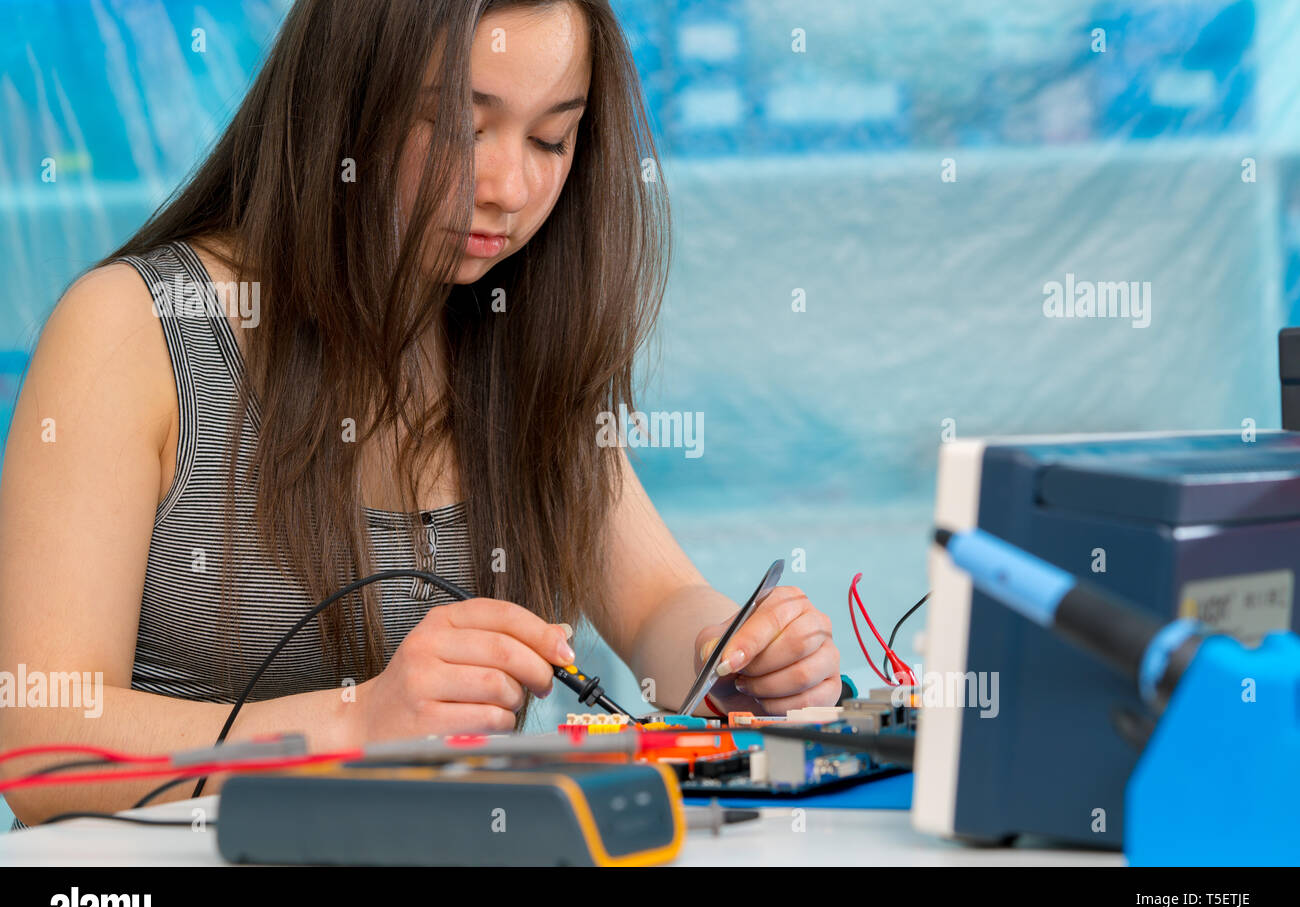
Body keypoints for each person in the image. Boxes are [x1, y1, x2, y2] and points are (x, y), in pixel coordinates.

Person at [0, 0, 839, 826]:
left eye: (552, 138)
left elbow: (659, 604)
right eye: (460, 129)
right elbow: (36, 746)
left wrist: (722, 655)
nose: (510, 188)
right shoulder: (134, 328)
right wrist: (353, 724)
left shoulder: (520, 329)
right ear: (345, 104)